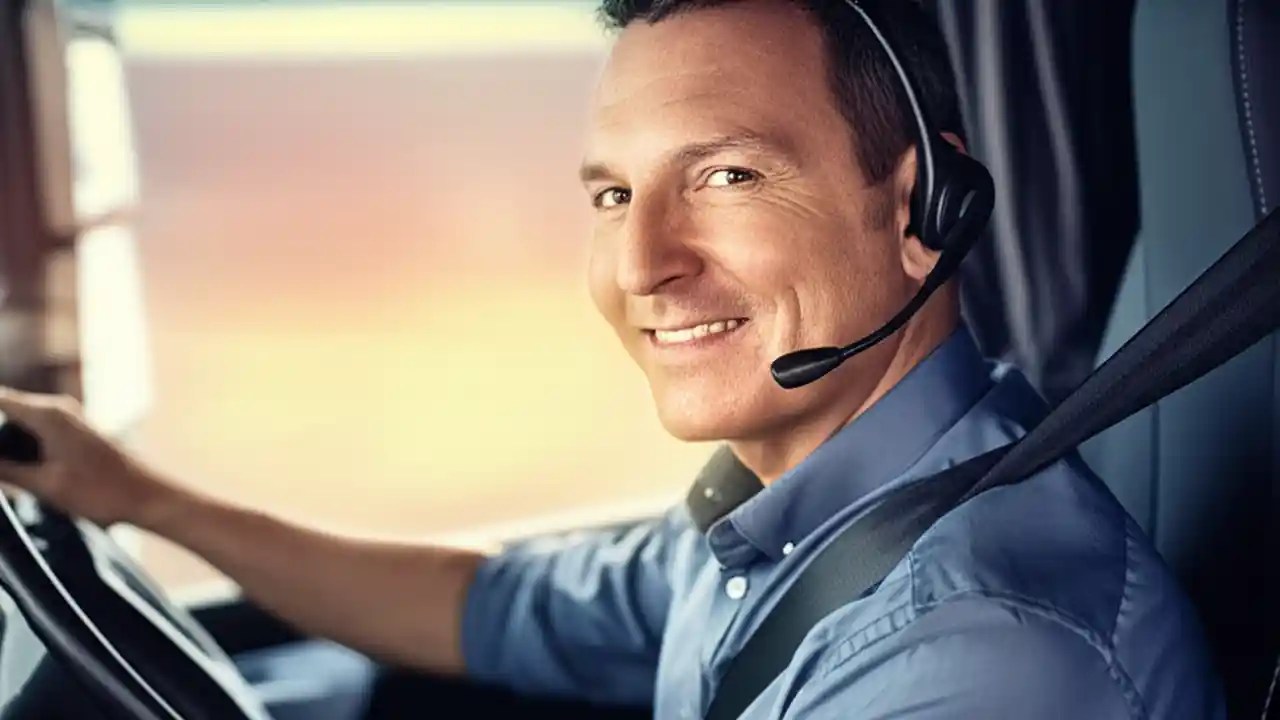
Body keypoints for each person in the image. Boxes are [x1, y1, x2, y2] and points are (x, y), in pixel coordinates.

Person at [0, 0, 1225, 717]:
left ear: (922, 211)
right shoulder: (784, 522)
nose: (640, 264)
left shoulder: (979, 654)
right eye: (609, 193)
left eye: (725, 176)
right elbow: (491, 611)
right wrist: (136, 498)